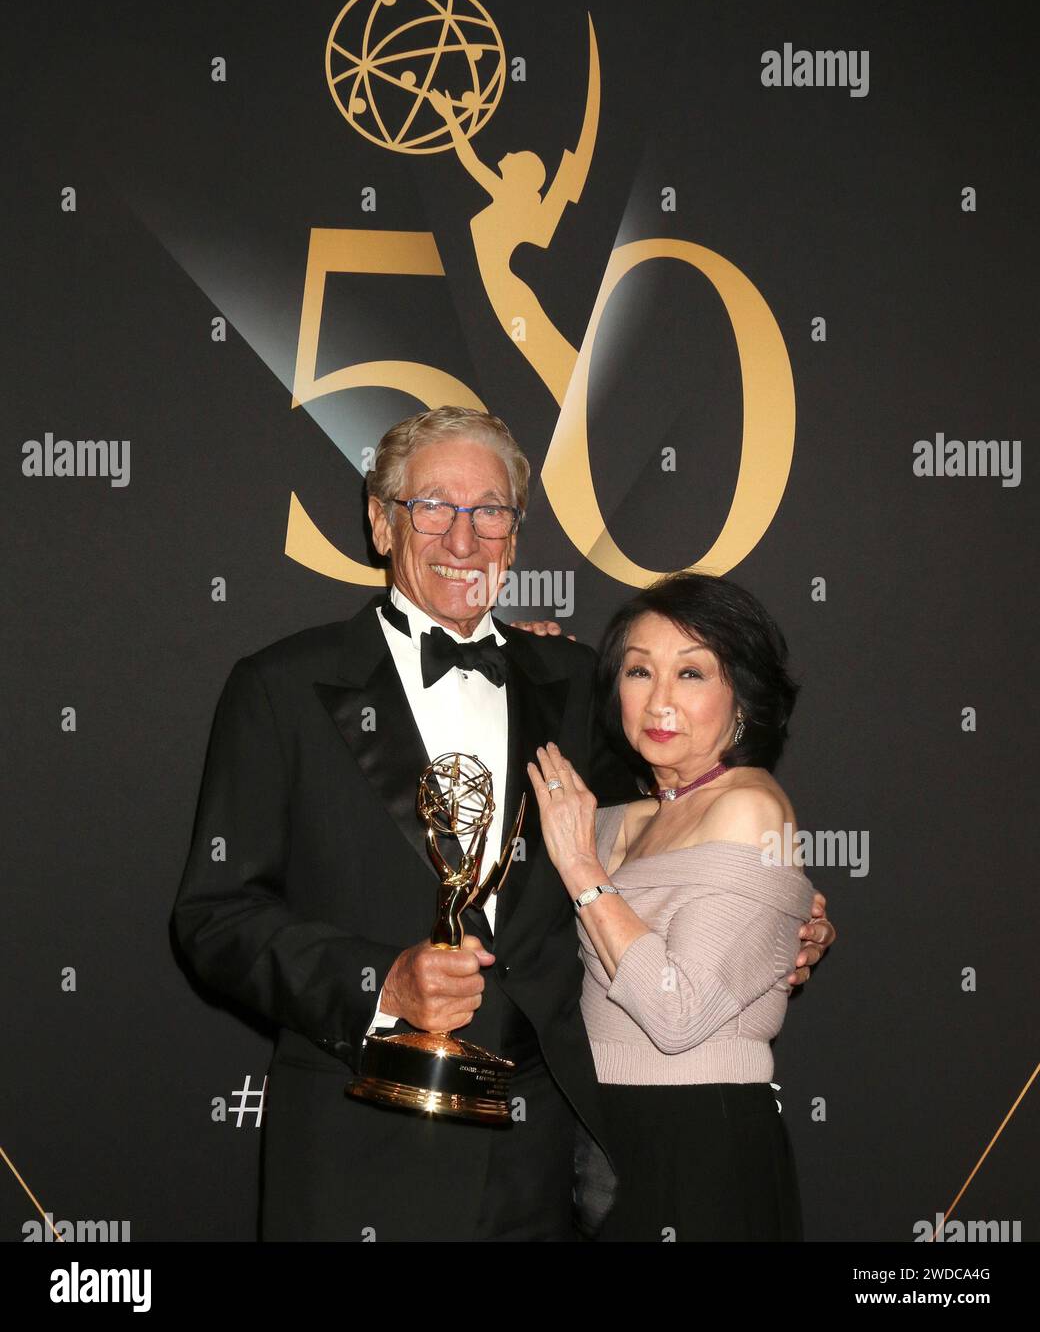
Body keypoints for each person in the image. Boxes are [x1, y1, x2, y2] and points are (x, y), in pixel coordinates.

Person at [171, 407, 835, 1241]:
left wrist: (778, 913)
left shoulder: (580, 683)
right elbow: (214, 917)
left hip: (547, 1163)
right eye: (432, 507)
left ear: (514, 535)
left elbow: (676, 834)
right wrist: (380, 984)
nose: (463, 538)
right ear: (381, 522)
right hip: (358, 1150)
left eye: (489, 511)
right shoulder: (280, 688)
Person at [528, 571, 817, 1240]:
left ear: (742, 696)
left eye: (691, 673)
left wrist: (581, 870)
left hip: (696, 1141)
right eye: (639, 671)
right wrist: (526, 659)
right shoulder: (619, 819)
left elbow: (677, 1014)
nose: (660, 700)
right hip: (593, 1136)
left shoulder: (750, 809)